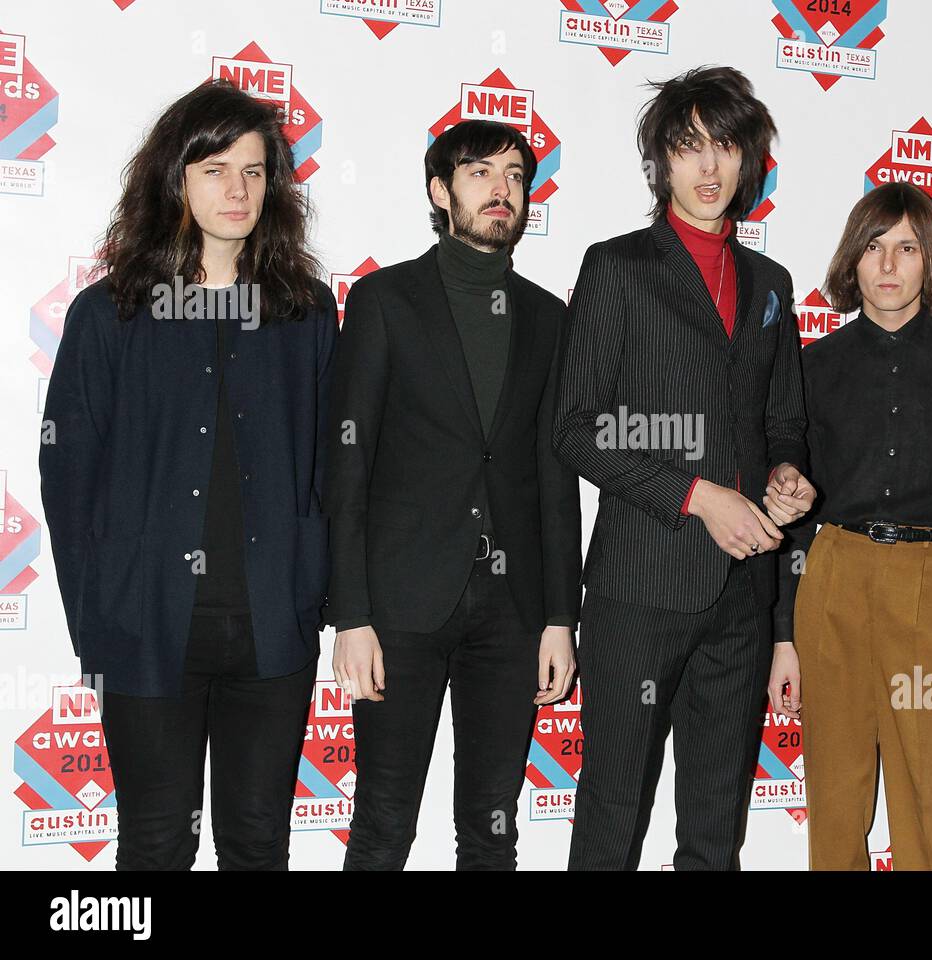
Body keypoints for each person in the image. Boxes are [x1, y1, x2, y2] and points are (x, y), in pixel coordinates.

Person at [39, 79, 336, 870]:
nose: (237, 189)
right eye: (214, 169)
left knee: (257, 842)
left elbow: (334, 463)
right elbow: (69, 479)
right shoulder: (112, 314)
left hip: (273, 629)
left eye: (254, 169)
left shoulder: (305, 310)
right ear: (174, 176)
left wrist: (317, 590)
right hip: (144, 630)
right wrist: (96, 619)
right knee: (156, 843)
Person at [553, 65, 813, 871]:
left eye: (725, 146)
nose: (708, 166)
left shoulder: (770, 284)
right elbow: (577, 428)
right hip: (641, 588)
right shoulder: (617, 268)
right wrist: (697, 496)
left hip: (742, 593)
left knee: (714, 821)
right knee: (612, 808)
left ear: (749, 161)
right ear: (661, 163)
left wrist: (787, 475)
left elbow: (782, 421)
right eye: (687, 146)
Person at [325, 119, 581, 870]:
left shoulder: (547, 317)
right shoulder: (383, 300)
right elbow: (347, 461)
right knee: (382, 825)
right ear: (441, 191)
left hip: (512, 611)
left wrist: (561, 617)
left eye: (515, 175)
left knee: (493, 829)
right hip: (401, 602)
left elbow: (553, 476)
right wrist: (351, 614)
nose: (501, 189)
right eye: (479, 173)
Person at [774, 182, 932, 870]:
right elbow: (792, 517)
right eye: (874, 247)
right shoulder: (813, 367)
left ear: (931, 261)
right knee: (837, 796)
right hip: (835, 580)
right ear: (853, 260)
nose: (890, 264)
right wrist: (784, 635)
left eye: (907, 247)